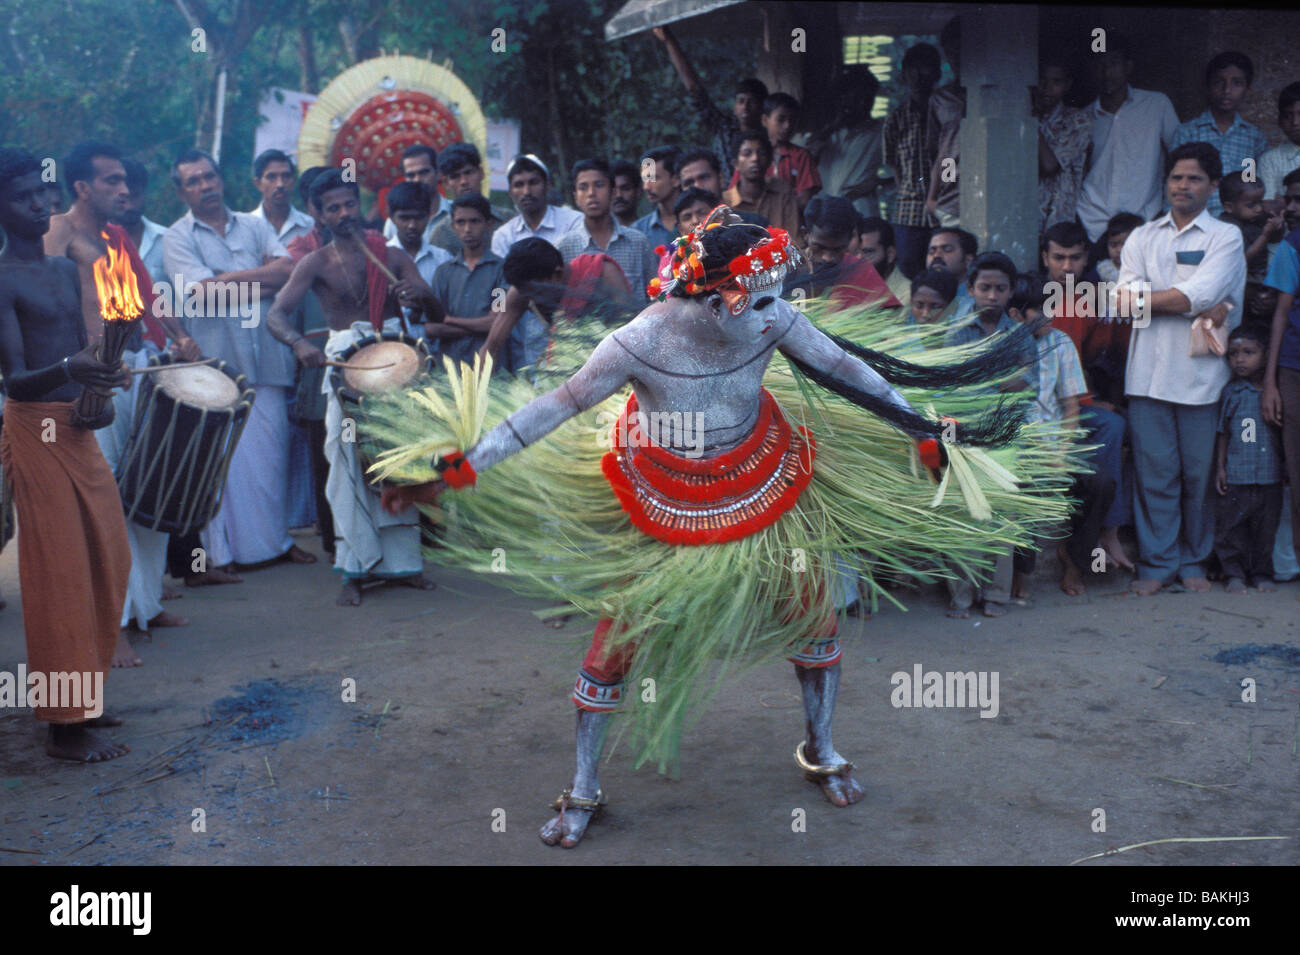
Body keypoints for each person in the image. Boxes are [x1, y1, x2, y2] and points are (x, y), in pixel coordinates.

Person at [376, 205, 1072, 848]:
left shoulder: (768, 315)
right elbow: (552, 408)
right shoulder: (639, 339)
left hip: (762, 476)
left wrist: (922, 428)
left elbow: (845, 367)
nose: (779, 310)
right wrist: (462, 466)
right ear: (716, 299)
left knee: (813, 616)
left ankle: (821, 748)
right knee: (617, 639)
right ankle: (583, 785)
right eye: (761, 296)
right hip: (662, 493)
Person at [0, 146, 133, 760]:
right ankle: (63, 727)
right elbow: (15, 380)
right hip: (34, 430)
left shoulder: (59, 270)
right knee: (59, 576)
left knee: (108, 555)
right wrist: (69, 368)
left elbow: (84, 353)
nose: (39, 203)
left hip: (76, 427)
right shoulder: (2, 279)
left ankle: (89, 694)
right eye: (23, 195)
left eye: (41, 192)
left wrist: (102, 384)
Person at [44, 142, 200, 656]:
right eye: (111, 181)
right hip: (90, 382)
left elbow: (147, 295)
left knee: (145, 486)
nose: (124, 189)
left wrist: (177, 336)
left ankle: (146, 604)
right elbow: (44, 311)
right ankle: (111, 623)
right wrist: (87, 367)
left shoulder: (115, 238)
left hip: (132, 369)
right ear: (82, 187)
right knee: (102, 500)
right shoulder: (58, 234)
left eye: (124, 181)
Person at [265, 170, 441, 606]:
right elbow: (276, 315)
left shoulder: (393, 255)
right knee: (348, 466)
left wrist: (420, 292)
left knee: (401, 460)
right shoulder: (316, 262)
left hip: (396, 360)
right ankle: (355, 569)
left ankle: (405, 565)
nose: (345, 214)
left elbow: (437, 309)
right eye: (333, 208)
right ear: (318, 213)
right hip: (344, 365)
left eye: (349, 204)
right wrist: (300, 343)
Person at [161, 148, 312, 573]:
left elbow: (288, 273)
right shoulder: (178, 237)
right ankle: (223, 556)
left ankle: (274, 544)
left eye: (209, 176)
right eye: (193, 181)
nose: (205, 186)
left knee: (270, 461)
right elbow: (199, 294)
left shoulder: (254, 225)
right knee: (220, 465)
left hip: (266, 360)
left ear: (221, 178)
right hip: (215, 368)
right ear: (181, 191)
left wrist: (221, 280)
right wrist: (256, 283)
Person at [1118, 142, 1246, 595]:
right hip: (1146, 377)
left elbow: (1204, 294)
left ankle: (1193, 560)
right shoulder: (1142, 236)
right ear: (1166, 182)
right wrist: (1185, 300)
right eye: (1176, 178)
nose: (1183, 186)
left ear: (1212, 186)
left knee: (1197, 476)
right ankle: (1156, 564)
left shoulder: (1224, 237)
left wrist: (1158, 300)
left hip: (1202, 378)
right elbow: (1123, 302)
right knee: (1155, 473)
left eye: (1194, 179)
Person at [1007, 275, 1115, 597]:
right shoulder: (1003, 347)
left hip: (1056, 444)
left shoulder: (1060, 342)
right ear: (1016, 315)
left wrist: (1061, 452)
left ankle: (1075, 560)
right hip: (1020, 446)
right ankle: (1022, 572)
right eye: (1039, 312)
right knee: (1027, 484)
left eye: (1050, 309)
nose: (1049, 317)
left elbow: (1071, 408)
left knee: (1100, 483)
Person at [1040, 221, 1132, 570]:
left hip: (1074, 403)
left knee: (1112, 425)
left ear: (1085, 259)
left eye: (1075, 258)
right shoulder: (1030, 295)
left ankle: (1108, 533)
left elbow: (1094, 356)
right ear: (1044, 257)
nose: (1067, 267)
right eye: (1059, 257)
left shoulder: (1090, 298)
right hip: (1034, 409)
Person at [1077, 33, 1179, 242]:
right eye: (1099, 64)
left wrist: (1167, 209)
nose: (1106, 72)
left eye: (1113, 63)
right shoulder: (1083, 117)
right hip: (1094, 222)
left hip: (1145, 219)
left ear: (1128, 67)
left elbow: (1179, 156)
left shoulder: (1156, 105)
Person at [479, 237, 633, 373]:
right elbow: (491, 346)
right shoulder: (522, 290)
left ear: (557, 274)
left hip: (610, 366)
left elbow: (630, 334)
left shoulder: (604, 274)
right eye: (528, 294)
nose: (533, 299)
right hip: (556, 370)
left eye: (537, 292)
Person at [1214, 324, 1283, 593]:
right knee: (1232, 527)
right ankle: (1234, 573)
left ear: (1266, 356)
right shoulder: (1232, 393)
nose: (1240, 359)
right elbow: (1223, 432)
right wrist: (1220, 467)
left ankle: (1262, 573)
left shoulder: (1274, 394)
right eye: (1233, 354)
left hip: (1270, 476)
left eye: (1248, 352)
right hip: (1238, 474)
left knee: (1265, 531)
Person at [653, 25, 766, 182]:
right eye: (741, 101)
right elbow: (694, 89)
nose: (745, 107)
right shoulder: (724, 128)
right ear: (734, 106)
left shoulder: (767, 137)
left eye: (752, 102)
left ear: (761, 107)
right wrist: (669, 40)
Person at [1171, 52, 1270, 219]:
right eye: (1219, 82)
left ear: (1247, 89)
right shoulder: (1188, 132)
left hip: (1239, 228)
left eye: (1237, 83)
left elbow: (1253, 184)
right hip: (1196, 222)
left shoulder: (1253, 138)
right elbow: (1174, 182)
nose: (1227, 90)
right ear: (1208, 86)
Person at [1261, 167, 1300, 584]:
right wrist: (1270, 381)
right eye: (1290, 199)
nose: (1291, 207)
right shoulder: (1292, 246)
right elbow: (1281, 315)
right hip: (1294, 366)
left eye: (1299, 199)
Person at [883, 42, 942, 278]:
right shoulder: (895, 119)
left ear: (936, 74)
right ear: (904, 74)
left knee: (942, 269)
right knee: (908, 266)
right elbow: (894, 165)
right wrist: (908, 190)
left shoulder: (946, 112)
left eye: (925, 70)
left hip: (942, 206)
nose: (918, 77)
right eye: (912, 71)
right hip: (908, 209)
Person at [557, 158, 655, 299]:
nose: (591, 193)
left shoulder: (638, 242)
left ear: (613, 192)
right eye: (583, 187)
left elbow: (654, 294)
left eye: (599, 185)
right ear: (576, 197)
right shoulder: (564, 247)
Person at [429, 194, 508, 367]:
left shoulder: (501, 270)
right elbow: (432, 328)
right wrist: (478, 325)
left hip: (491, 369)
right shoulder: (443, 273)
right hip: (451, 369)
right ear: (453, 227)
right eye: (460, 222)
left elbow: (496, 322)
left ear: (488, 224)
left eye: (474, 221)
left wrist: (450, 320)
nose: (467, 229)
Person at [791, 196, 898, 309]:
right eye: (819, 247)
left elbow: (890, 316)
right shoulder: (786, 269)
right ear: (805, 234)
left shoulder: (861, 271)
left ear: (850, 240)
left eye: (838, 249)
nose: (828, 257)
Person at [805, 69, 883, 220]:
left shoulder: (879, 133)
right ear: (843, 99)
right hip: (824, 211)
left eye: (868, 98)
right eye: (856, 98)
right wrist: (834, 125)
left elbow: (895, 172)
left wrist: (874, 182)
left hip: (861, 210)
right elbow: (806, 158)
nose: (863, 104)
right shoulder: (827, 134)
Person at [1218, 172, 1287, 324]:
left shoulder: (1255, 217)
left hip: (1259, 279)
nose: (1258, 209)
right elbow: (1242, 259)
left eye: (1260, 202)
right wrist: (1264, 235)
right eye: (1252, 205)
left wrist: (1277, 225)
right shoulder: (1228, 226)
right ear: (1229, 207)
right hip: (1241, 283)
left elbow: (1276, 237)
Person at [428, 142, 515, 256]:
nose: (464, 181)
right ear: (446, 183)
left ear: (481, 172)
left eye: (468, 172)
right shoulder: (441, 234)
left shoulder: (510, 221)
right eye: (455, 176)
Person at [1034, 58, 1091, 230]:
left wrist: (1029, 122)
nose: (1047, 88)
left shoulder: (1077, 120)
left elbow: (1050, 166)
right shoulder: (1027, 116)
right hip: (1025, 215)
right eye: (1042, 81)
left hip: (1058, 219)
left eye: (1056, 82)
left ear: (1067, 85)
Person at [386, 180, 453, 326]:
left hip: (435, 344)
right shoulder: (381, 258)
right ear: (391, 217)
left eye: (418, 218)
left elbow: (451, 309)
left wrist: (424, 298)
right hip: (393, 344)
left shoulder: (443, 258)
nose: (412, 225)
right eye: (404, 218)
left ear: (428, 215)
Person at [491, 154, 582, 259]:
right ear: (511, 192)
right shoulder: (504, 236)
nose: (526, 192)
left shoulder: (574, 223)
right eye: (519, 185)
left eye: (533, 183)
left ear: (547, 186)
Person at [924, 18, 965, 228]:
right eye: (951, 53)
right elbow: (940, 153)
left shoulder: (996, 93)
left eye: (963, 51)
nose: (957, 59)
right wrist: (932, 199)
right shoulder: (941, 99)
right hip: (951, 200)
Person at [723, 132, 800, 236]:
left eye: (761, 153)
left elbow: (793, 238)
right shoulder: (726, 202)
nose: (755, 158)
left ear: (769, 161)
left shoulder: (783, 191)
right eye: (747, 153)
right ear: (736, 164)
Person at [754, 92, 821, 210]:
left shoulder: (801, 156)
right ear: (765, 120)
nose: (787, 126)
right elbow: (734, 195)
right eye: (781, 119)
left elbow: (805, 199)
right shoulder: (751, 155)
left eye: (792, 120)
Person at [382, 144, 451, 247]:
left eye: (424, 172)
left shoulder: (455, 213)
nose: (417, 180)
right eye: (411, 175)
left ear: (438, 173)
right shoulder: (394, 222)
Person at [113, 159, 168, 285]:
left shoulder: (167, 239)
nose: (130, 207)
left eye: (135, 196)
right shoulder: (94, 241)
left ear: (144, 194)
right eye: (124, 199)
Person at [249, 148, 314, 244]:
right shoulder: (247, 226)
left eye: (286, 176)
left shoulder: (309, 226)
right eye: (271, 177)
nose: (280, 184)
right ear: (258, 183)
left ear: (294, 181)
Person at [632, 146, 680, 251]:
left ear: (675, 179)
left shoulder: (696, 221)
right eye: (644, 180)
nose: (646, 187)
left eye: (654, 178)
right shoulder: (638, 231)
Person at [1260, 83, 1300, 205]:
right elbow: (1267, 205)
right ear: (1279, 120)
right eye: (1288, 116)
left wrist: (1284, 202)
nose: (1295, 122)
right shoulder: (1270, 160)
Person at [926, 226, 978, 322]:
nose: (936, 255)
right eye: (932, 251)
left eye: (947, 249)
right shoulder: (921, 300)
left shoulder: (977, 303)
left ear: (968, 260)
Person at [858, 216, 910, 309]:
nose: (859, 260)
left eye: (868, 252)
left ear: (890, 254)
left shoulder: (906, 297)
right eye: (856, 252)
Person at [1096, 211, 1144, 286]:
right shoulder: (1103, 268)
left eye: (1125, 246)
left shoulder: (1145, 268)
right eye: (1113, 245)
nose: (1119, 250)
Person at [609, 159, 641, 228]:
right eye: (612, 190)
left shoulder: (651, 232)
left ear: (638, 192)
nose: (618, 195)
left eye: (625, 189)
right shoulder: (595, 236)